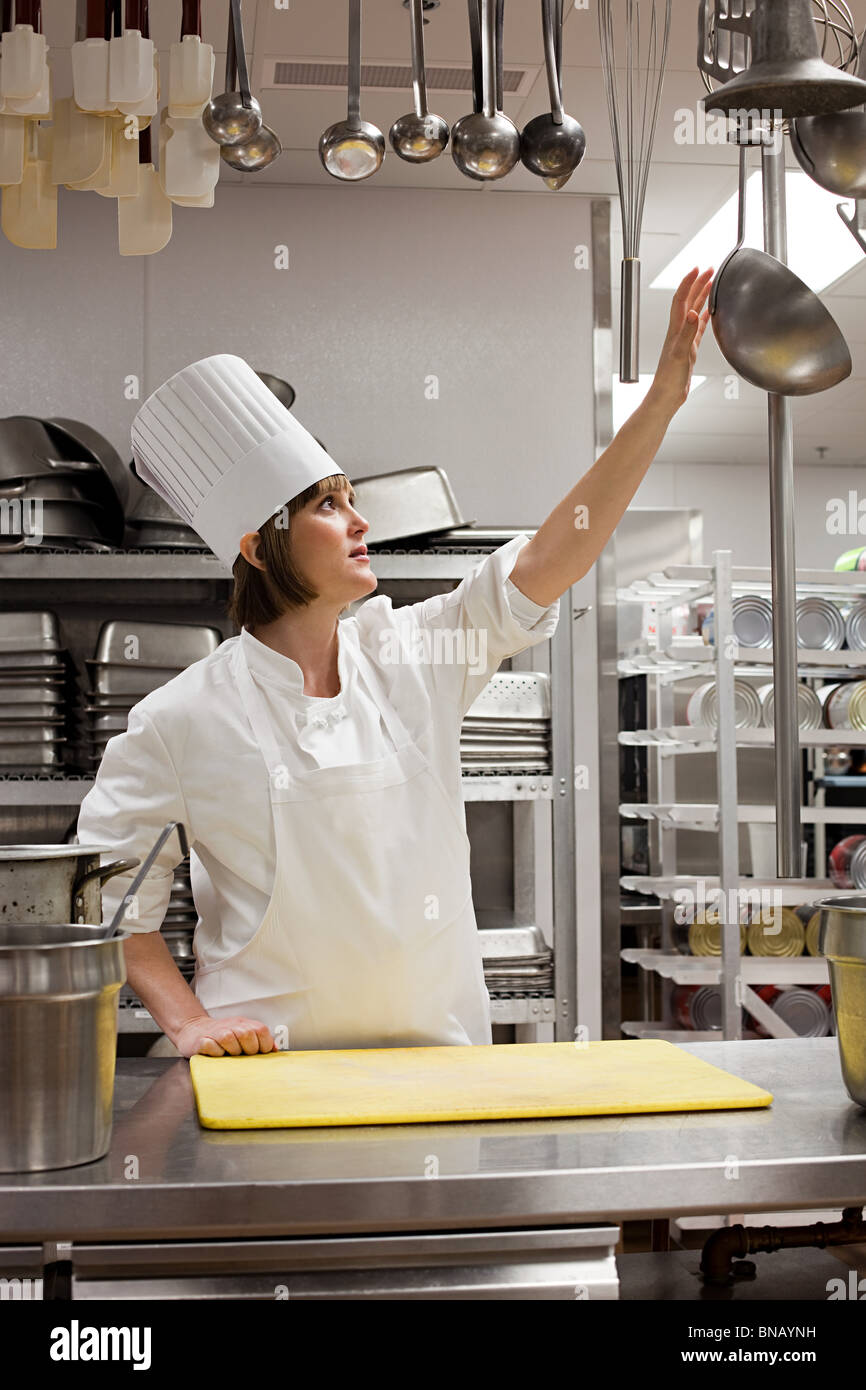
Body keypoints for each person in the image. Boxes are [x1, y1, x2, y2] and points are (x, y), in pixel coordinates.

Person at [77, 268, 712, 1058]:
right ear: (256, 545)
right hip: (272, 1086)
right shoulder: (178, 719)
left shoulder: (415, 654)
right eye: (327, 504)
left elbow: (555, 554)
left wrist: (661, 403)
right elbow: (106, 903)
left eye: (350, 497)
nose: (359, 520)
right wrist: (189, 1022)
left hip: (439, 1071)